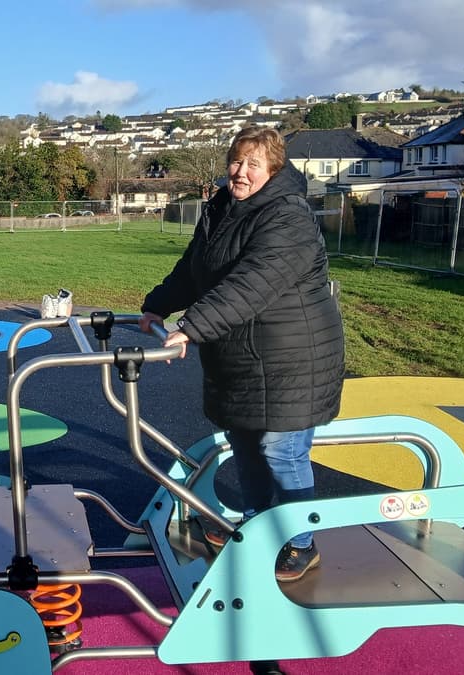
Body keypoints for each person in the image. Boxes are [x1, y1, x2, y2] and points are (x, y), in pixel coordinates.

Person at [138, 126, 344, 583]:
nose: (242, 172)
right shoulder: (222, 207)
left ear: (274, 169)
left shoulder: (288, 217)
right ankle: (256, 524)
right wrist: (158, 304)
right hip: (242, 355)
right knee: (247, 443)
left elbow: (252, 283)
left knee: (281, 450)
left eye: (254, 164)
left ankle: (300, 543)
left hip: (294, 357)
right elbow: (196, 268)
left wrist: (192, 327)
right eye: (236, 161)